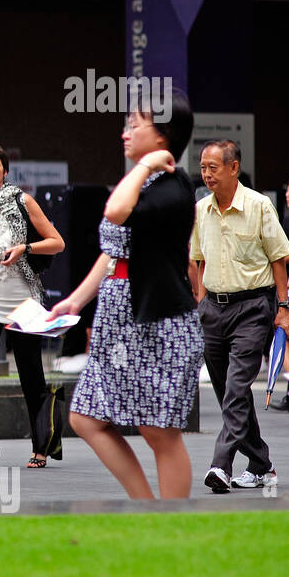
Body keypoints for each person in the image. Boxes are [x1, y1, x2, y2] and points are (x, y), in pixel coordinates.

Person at [49, 100, 201, 498]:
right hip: (118, 322)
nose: (126, 131)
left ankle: (170, 522)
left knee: (159, 431)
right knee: (85, 417)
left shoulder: (173, 186)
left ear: (163, 137)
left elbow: (115, 212)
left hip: (160, 323)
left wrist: (149, 165)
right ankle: (145, 505)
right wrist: (76, 302)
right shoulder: (144, 182)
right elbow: (115, 251)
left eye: (136, 124)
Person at [190, 139, 289, 492]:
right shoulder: (201, 209)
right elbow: (198, 261)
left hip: (252, 308)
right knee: (227, 391)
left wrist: (283, 308)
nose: (206, 174)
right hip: (212, 310)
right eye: (203, 167)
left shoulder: (259, 205)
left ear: (234, 167)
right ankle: (262, 463)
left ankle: (220, 464)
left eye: (213, 167)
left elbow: (279, 258)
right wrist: (200, 303)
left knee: (236, 387)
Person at [0, 145, 65, 471]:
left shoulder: (22, 201)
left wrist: (25, 247)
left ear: (5, 171)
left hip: (22, 300)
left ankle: (42, 446)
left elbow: (57, 242)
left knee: (31, 375)